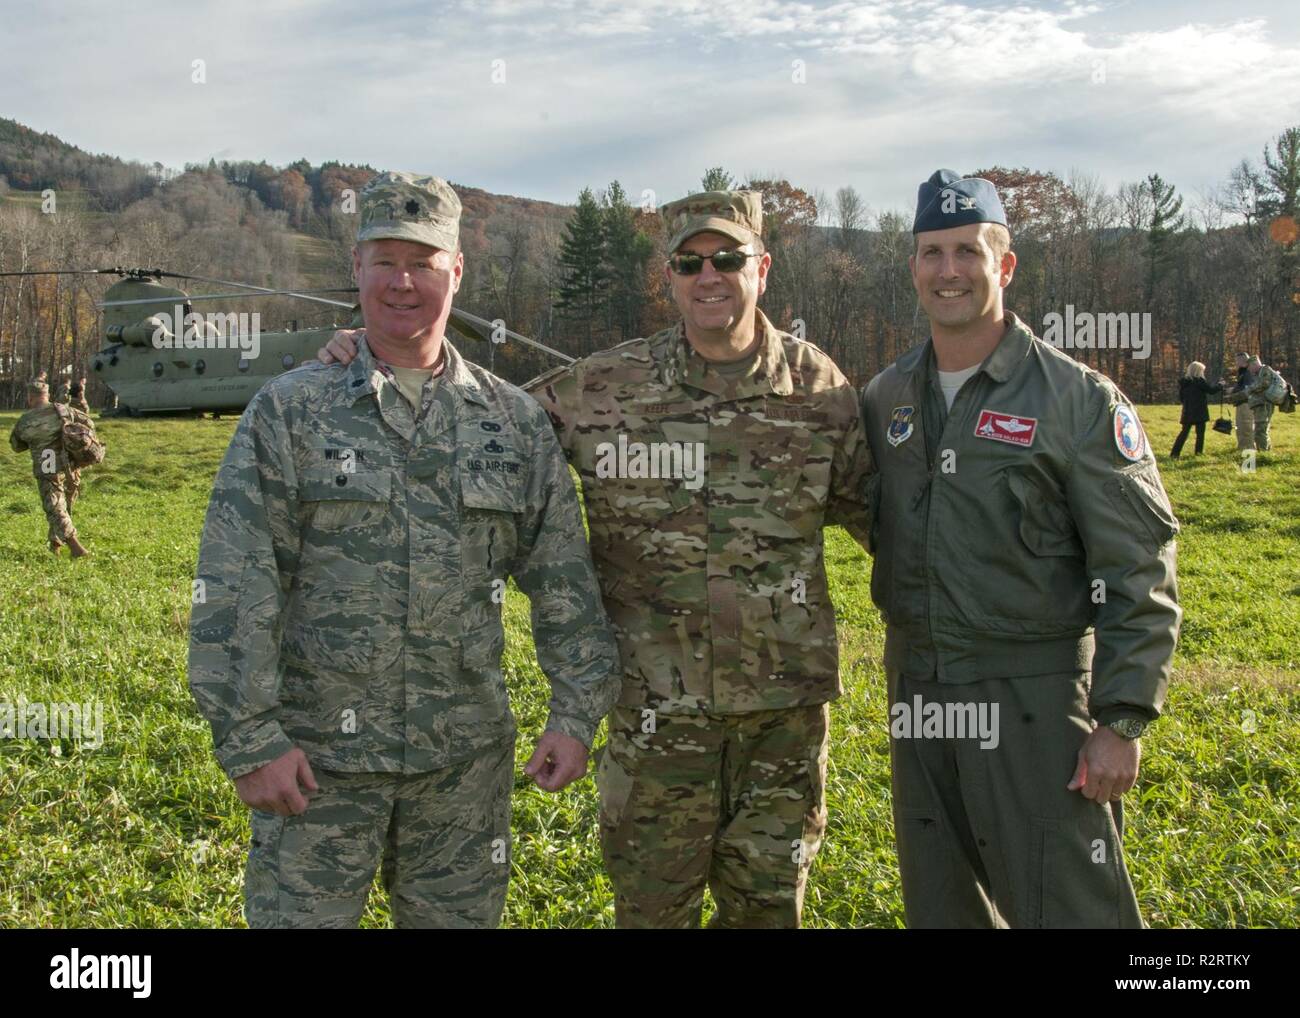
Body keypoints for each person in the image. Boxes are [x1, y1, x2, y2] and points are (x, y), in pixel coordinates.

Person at [320, 189, 875, 928]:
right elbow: (480, 417)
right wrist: (373, 353)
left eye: (727, 258)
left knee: (770, 911)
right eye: (689, 263)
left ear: (762, 267)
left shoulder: (821, 392)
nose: (709, 275)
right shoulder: (605, 387)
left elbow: (887, 523)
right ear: (669, 276)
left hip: (785, 724)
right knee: (650, 912)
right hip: (655, 720)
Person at [188, 171, 621, 929]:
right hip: (318, 768)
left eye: (424, 262)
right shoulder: (291, 411)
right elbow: (235, 579)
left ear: (457, 271)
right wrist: (250, 739)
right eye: (385, 260)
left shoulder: (513, 423)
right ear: (355, 267)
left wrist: (576, 713)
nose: (402, 282)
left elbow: (564, 582)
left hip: (462, 772)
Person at [860, 169, 1181, 928]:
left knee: (1067, 907)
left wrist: (1122, 719)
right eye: (932, 252)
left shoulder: (1074, 399)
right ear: (913, 268)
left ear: (1004, 266)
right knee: (942, 906)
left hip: (1032, 699)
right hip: (919, 692)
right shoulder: (886, 397)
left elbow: (1138, 566)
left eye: (968, 251)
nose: (949, 271)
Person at [8, 373, 90, 557]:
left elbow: (16, 446)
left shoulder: (26, 420)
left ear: (30, 397)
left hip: (48, 462)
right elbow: (88, 423)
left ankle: (76, 547)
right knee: (63, 504)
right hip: (71, 462)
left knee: (54, 506)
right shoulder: (63, 410)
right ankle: (55, 543)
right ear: (48, 395)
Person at [1169, 360, 1222, 457]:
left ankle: (1174, 453)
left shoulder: (1184, 383)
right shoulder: (1200, 381)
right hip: (1200, 411)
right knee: (1200, 434)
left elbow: (1181, 398)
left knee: (1184, 433)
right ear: (1199, 371)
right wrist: (1220, 385)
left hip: (1187, 411)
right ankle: (1198, 453)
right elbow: (1211, 391)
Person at [1244, 354, 1280, 451]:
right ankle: (1266, 451)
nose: (1249, 369)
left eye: (1249, 367)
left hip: (1264, 405)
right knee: (1262, 429)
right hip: (1263, 404)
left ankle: (1263, 452)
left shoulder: (1265, 370)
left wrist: (1249, 389)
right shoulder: (1259, 373)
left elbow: (1263, 384)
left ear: (1254, 364)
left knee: (1260, 429)